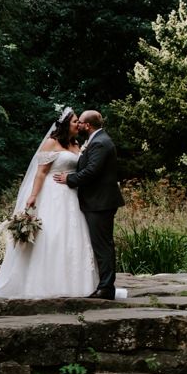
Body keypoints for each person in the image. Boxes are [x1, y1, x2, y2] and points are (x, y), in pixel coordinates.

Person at [0, 108, 98, 299]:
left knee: (73, 235)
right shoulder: (51, 143)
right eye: (74, 122)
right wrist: (33, 196)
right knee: (52, 235)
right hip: (53, 194)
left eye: (79, 121)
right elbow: (41, 172)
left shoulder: (76, 144)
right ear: (65, 125)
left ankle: (77, 285)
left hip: (72, 195)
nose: (78, 125)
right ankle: (46, 283)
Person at [53, 109, 121, 299]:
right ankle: (104, 285)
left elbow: (92, 172)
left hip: (100, 202)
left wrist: (69, 179)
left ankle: (106, 288)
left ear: (88, 125)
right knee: (101, 244)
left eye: (80, 122)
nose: (79, 125)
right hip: (97, 201)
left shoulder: (100, 143)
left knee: (103, 245)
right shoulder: (97, 140)